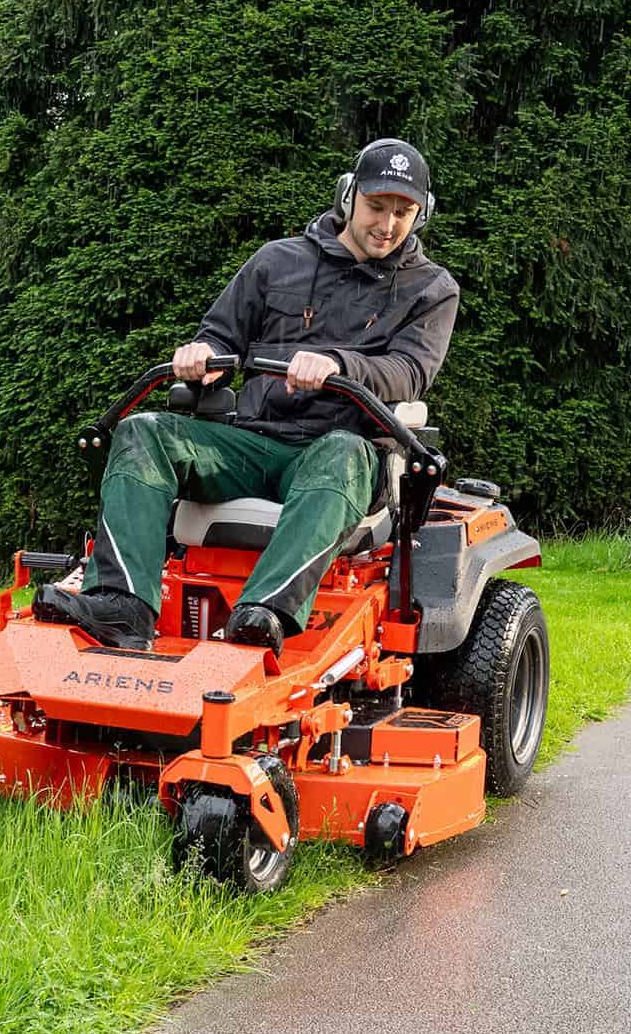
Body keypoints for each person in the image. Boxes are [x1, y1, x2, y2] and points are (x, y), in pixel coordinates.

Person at [36, 138, 459, 654]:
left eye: (404, 212)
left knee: (343, 452)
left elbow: (409, 371)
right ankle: (122, 606)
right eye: (377, 207)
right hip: (252, 442)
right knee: (142, 432)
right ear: (349, 197)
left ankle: (264, 613)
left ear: (422, 214)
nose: (388, 225)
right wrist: (201, 359)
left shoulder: (431, 289)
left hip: (341, 450)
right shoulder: (275, 262)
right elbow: (220, 335)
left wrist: (338, 365)